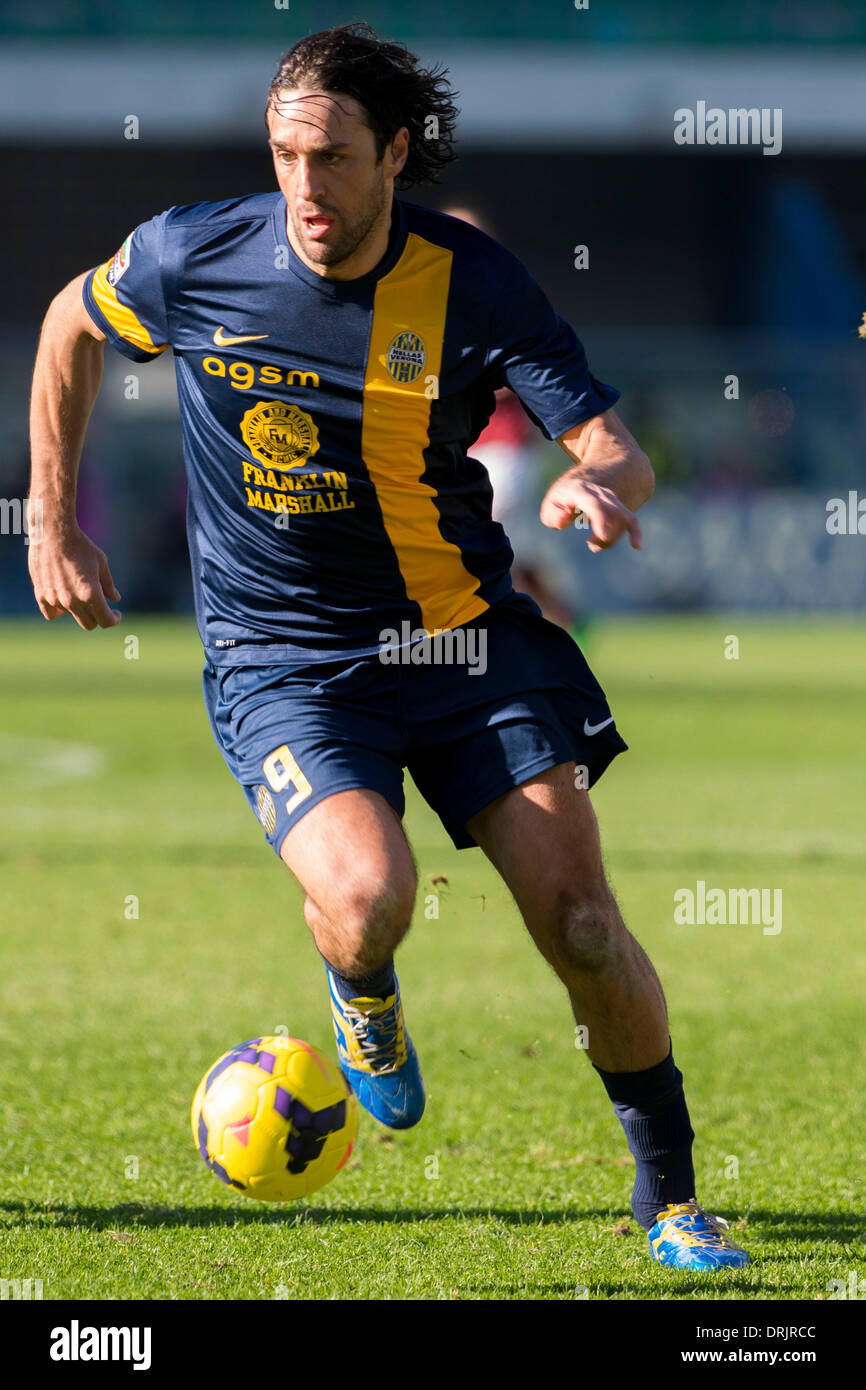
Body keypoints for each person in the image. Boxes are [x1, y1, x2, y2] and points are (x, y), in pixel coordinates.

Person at [27, 22, 748, 1270]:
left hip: (466, 640)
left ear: (395, 153)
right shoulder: (194, 253)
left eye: (333, 157)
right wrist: (52, 520)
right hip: (284, 655)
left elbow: (607, 441)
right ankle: (362, 995)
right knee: (366, 902)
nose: (304, 187)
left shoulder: (473, 281)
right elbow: (66, 326)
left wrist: (600, 485)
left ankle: (671, 1198)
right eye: (285, 154)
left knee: (579, 918)